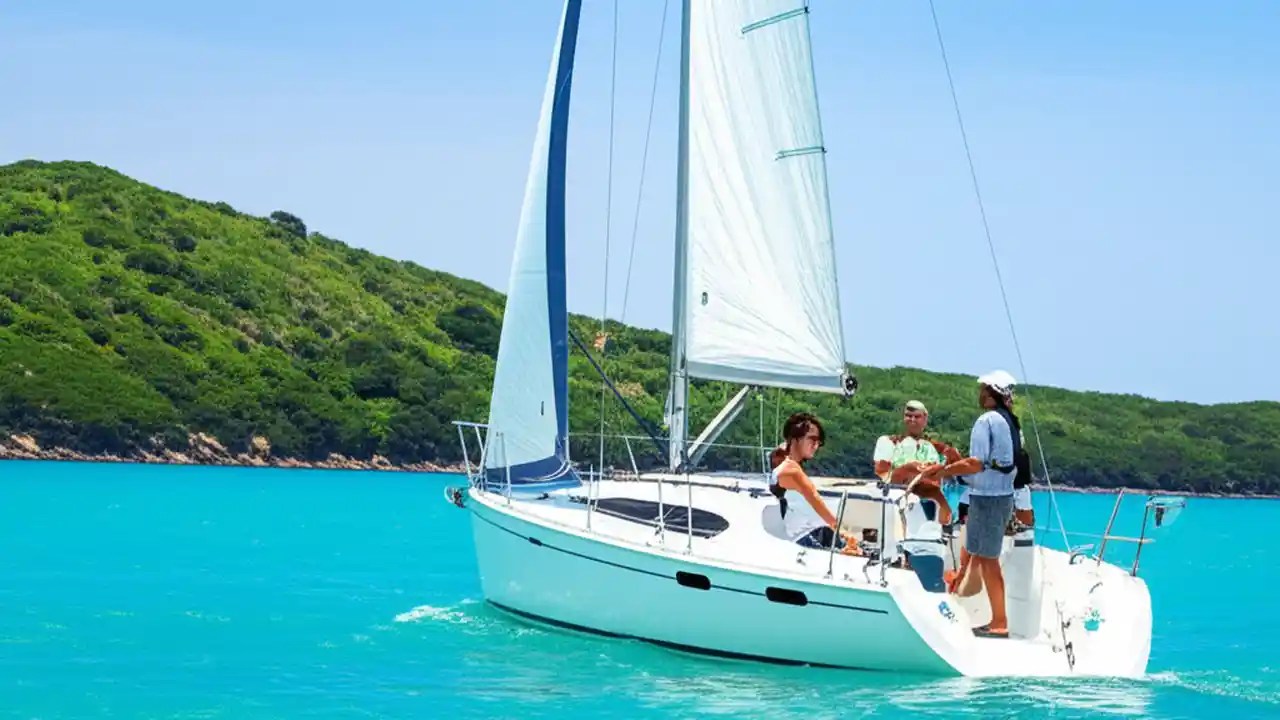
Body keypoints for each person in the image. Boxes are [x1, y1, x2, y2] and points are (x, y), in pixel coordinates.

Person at [933, 370, 1019, 638]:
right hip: (1001, 498)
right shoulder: (1010, 421)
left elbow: (976, 463)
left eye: (983, 389)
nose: (980, 393)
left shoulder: (987, 421)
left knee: (989, 561)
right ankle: (996, 619)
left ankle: (1000, 622)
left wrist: (941, 472)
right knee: (983, 558)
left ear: (991, 393)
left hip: (987, 499)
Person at [768, 413, 860, 555]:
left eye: (819, 442)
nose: (816, 445)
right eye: (812, 439)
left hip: (806, 534)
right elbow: (817, 503)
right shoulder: (791, 471)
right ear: (794, 439)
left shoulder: (788, 468)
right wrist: (843, 532)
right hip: (802, 539)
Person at [872, 399, 963, 526]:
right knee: (912, 469)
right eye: (908, 416)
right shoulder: (888, 442)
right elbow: (882, 473)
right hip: (895, 498)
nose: (912, 420)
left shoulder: (932, 448)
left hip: (926, 501)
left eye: (917, 417)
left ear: (925, 419)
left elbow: (943, 474)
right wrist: (910, 469)